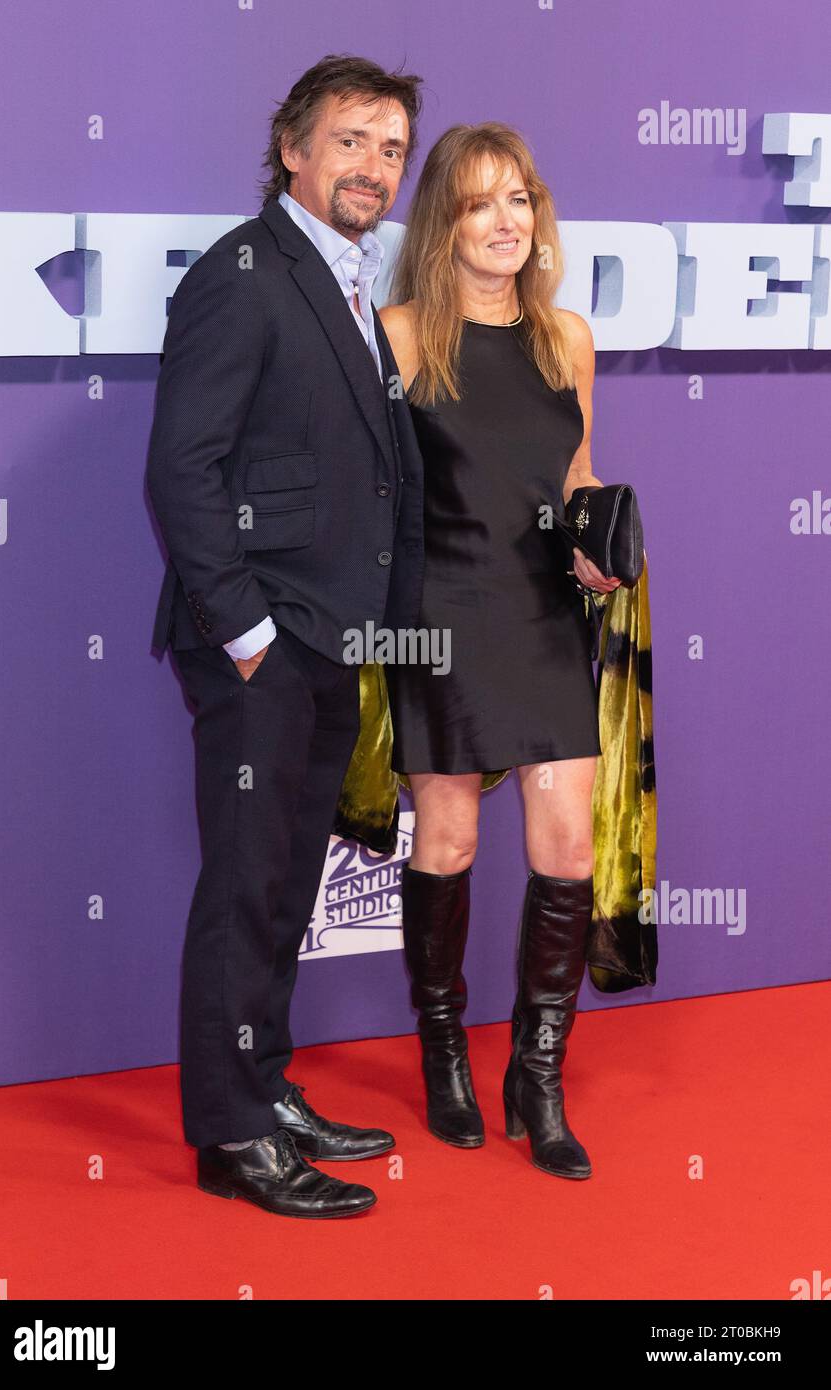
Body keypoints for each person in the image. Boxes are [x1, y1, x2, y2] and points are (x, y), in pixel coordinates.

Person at [145, 55, 425, 1219]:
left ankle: (264, 1084)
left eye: (392, 148)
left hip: (330, 637)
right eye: (351, 141)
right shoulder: (243, 273)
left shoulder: (352, 283)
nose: (373, 166)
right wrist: (247, 629)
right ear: (294, 150)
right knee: (249, 885)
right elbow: (183, 469)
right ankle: (231, 1136)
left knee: (285, 882)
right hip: (263, 640)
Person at [379, 122, 620, 1180]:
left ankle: (540, 1068)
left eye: (518, 199)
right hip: (440, 610)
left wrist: (597, 546)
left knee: (569, 850)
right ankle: (444, 1052)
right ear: (445, 223)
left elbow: (574, 472)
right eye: (480, 204)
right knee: (450, 841)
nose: (505, 222)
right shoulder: (395, 336)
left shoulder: (566, 338)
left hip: (541, 609)